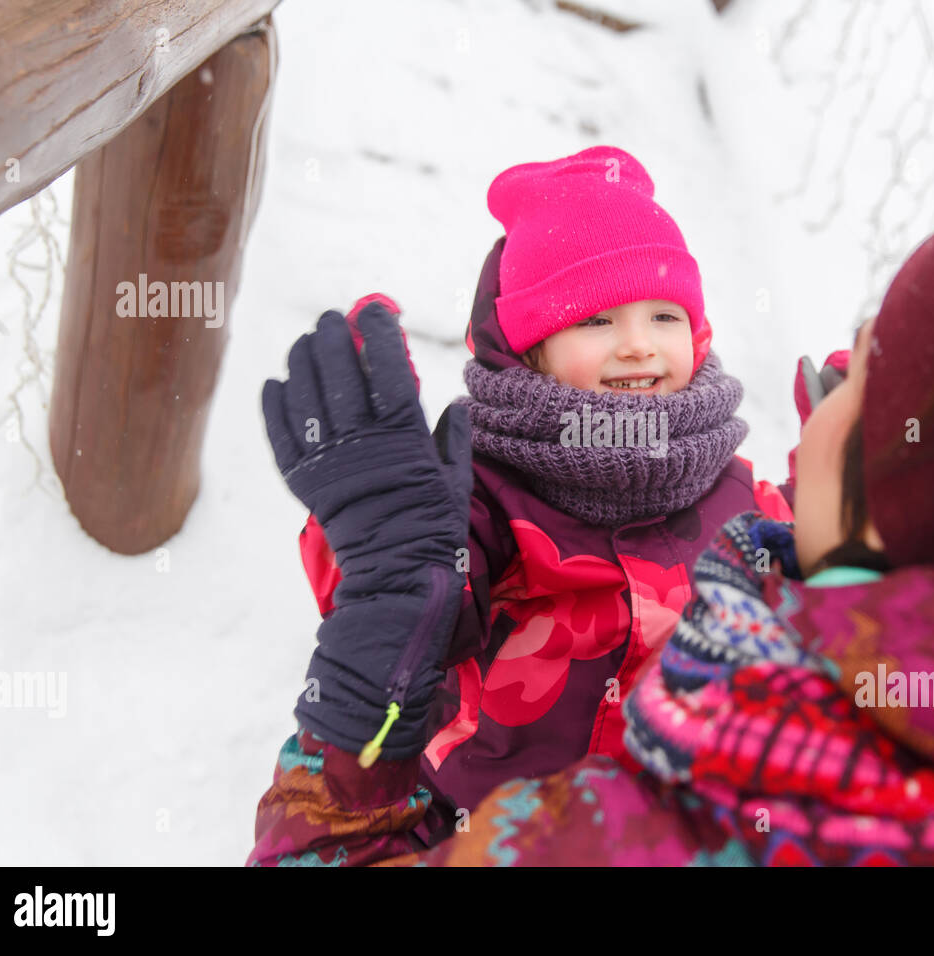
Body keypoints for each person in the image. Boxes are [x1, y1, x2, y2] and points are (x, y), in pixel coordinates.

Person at [249, 170, 934, 866]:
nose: (821, 412)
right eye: (594, 319)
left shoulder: (694, 824)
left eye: (866, 380)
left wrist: (371, 656)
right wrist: (861, 549)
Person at [258, 145, 802, 852]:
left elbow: (805, 568)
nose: (638, 345)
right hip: (485, 832)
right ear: (529, 349)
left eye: (664, 316)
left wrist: (858, 475)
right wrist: (378, 532)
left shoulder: (732, 487)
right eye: (596, 321)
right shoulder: (484, 489)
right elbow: (400, 600)